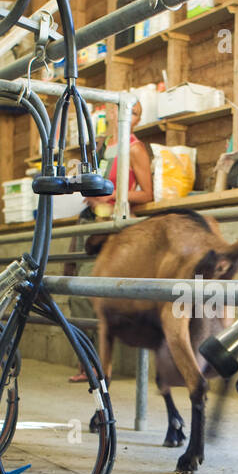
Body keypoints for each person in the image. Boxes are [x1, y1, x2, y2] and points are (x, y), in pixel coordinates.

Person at [66, 99, 156, 380]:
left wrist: (113, 195)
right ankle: (85, 362)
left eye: (134, 112)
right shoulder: (102, 146)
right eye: (121, 109)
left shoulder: (135, 148)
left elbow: (147, 193)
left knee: (92, 290)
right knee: (74, 290)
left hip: (109, 224)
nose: (127, 115)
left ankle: (99, 365)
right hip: (89, 219)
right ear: (111, 112)